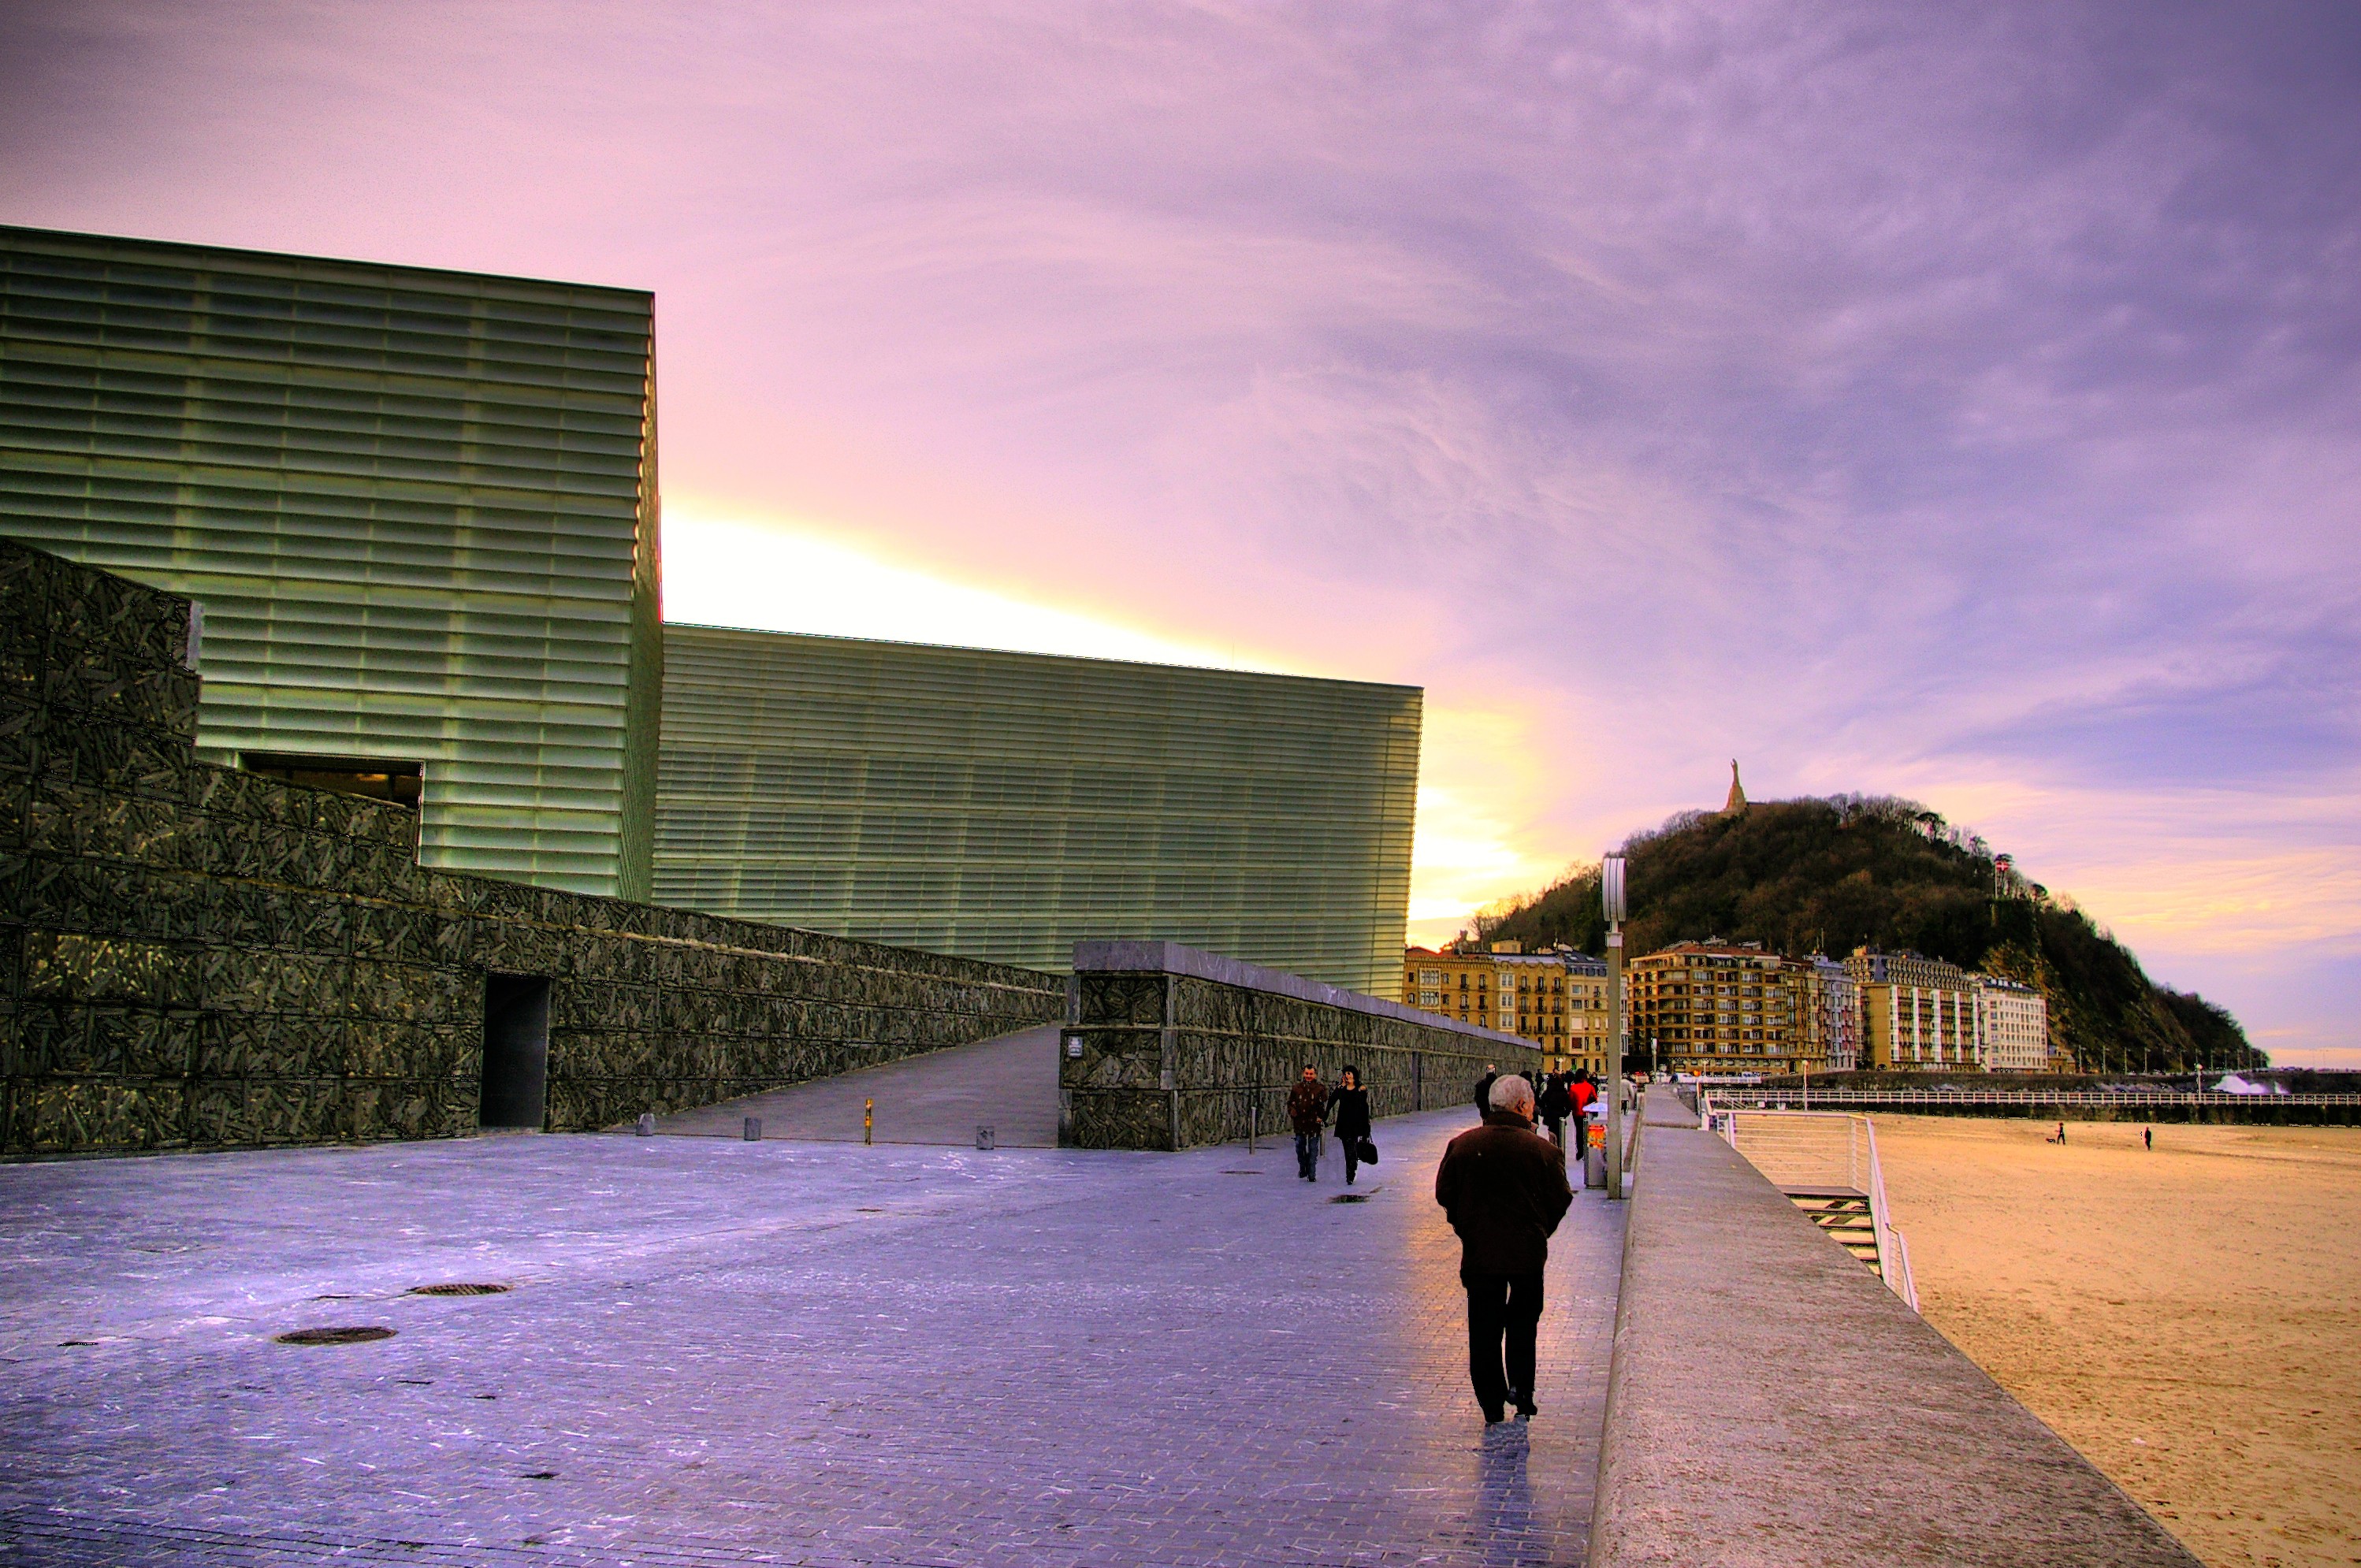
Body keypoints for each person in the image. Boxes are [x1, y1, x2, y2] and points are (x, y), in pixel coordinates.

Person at [1434, 1074, 1573, 1425]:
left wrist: (1466, 1227)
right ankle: (1523, 1392)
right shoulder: (1543, 1151)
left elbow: (1444, 1194)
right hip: (1527, 1255)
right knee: (1524, 1323)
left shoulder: (1462, 1146)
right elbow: (1560, 1199)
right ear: (1522, 1106)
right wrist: (1540, 1230)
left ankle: (1491, 1402)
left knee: (1483, 1327)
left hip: (1480, 1254)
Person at [1328, 1067, 1373, 1186]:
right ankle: (1350, 1173)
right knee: (1348, 1150)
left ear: (1354, 1074)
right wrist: (1339, 1086)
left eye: (1349, 1073)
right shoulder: (1341, 1088)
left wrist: (1366, 1126)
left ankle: (1352, 1170)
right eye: (1345, 1074)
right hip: (1344, 1123)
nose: (1347, 1076)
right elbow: (1332, 1100)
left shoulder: (1361, 1088)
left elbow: (1364, 1108)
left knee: (1352, 1149)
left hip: (1356, 1122)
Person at [1288, 1065, 1329, 1181]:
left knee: (1313, 1149)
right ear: (1303, 1074)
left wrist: (1321, 1117)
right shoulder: (1297, 1088)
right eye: (1307, 1074)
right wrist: (1293, 1112)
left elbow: (1324, 1104)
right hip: (1300, 1122)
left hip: (1313, 1123)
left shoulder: (1320, 1088)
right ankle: (1303, 1167)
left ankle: (1312, 1173)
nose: (1309, 1076)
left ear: (1315, 1075)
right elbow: (1290, 1103)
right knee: (1299, 1146)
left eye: (1311, 1074)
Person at [1537, 1072, 1574, 1147]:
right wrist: (1564, 1114)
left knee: (1551, 1134)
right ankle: (1559, 1148)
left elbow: (1541, 1103)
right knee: (1560, 1135)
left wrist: (1545, 1111)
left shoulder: (1548, 1093)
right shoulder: (1563, 1093)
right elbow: (1569, 1106)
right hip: (1560, 1116)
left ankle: (1553, 1147)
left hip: (1550, 1116)